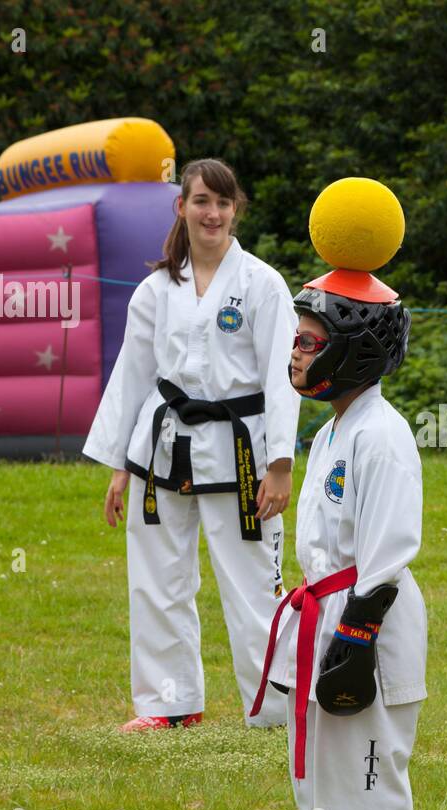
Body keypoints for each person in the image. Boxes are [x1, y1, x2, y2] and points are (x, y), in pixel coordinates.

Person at [83, 158, 300, 731]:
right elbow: (132, 376)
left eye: (224, 203)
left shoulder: (262, 284)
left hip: (242, 450)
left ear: (236, 211)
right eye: (202, 201)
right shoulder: (156, 290)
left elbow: (283, 376)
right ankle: (168, 706)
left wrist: (280, 465)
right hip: (164, 449)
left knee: (254, 581)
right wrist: (118, 467)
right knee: (157, 579)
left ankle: (274, 708)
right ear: (181, 207)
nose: (213, 213)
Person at [248, 265, 425, 810]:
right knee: (323, 790)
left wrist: (356, 636)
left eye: (308, 341)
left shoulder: (382, 436)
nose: (294, 353)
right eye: (295, 340)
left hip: (365, 627)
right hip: (327, 617)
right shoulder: (331, 434)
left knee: (364, 794)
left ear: (351, 350)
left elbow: (390, 549)